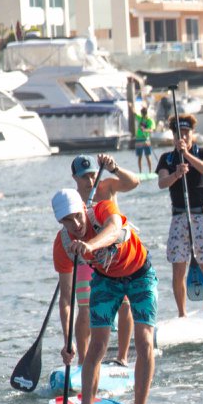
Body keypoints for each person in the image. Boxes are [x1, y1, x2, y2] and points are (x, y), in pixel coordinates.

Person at [52, 186, 157, 404]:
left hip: (140, 273)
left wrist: (90, 245)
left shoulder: (101, 210)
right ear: (60, 222)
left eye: (77, 215)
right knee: (97, 346)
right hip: (106, 281)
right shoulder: (63, 244)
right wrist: (68, 342)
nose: (76, 223)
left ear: (83, 208)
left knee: (145, 341)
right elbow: (66, 298)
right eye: (68, 220)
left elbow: (113, 230)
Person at [60, 153, 140, 368]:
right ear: (75, 177)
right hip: (87, 257)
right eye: (84, 176)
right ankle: (84, 362)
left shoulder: (107, 186)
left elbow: (134, 182)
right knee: (84, 307)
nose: (89, 180)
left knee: (125, 304)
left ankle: (122, 357)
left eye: (92, 175)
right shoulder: (74, 200)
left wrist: (115, 168)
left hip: (114, 253)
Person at [156, 115, 203, 322]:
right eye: (178, 134)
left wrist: (188, 157)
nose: (182, 136)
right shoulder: (167, 158)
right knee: (178, 267)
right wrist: (176, 174)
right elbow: (162, 182)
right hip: (179, 215)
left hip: (201, 214)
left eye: (186, 133)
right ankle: (182, 314)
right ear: (173, 136)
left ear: (192, 133)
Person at [132, 104, 153, 172]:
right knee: (139, 157)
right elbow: (134, 113)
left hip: (146, 139)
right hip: (139, 139)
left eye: (143, 113)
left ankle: (150, 171)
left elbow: (151, 129)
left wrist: (144, 130)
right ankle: (140, 172)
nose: (142, 114)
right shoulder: (140, 118)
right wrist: (131, 106)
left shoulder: (150, 120)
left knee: (147, 156)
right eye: (142, 113)